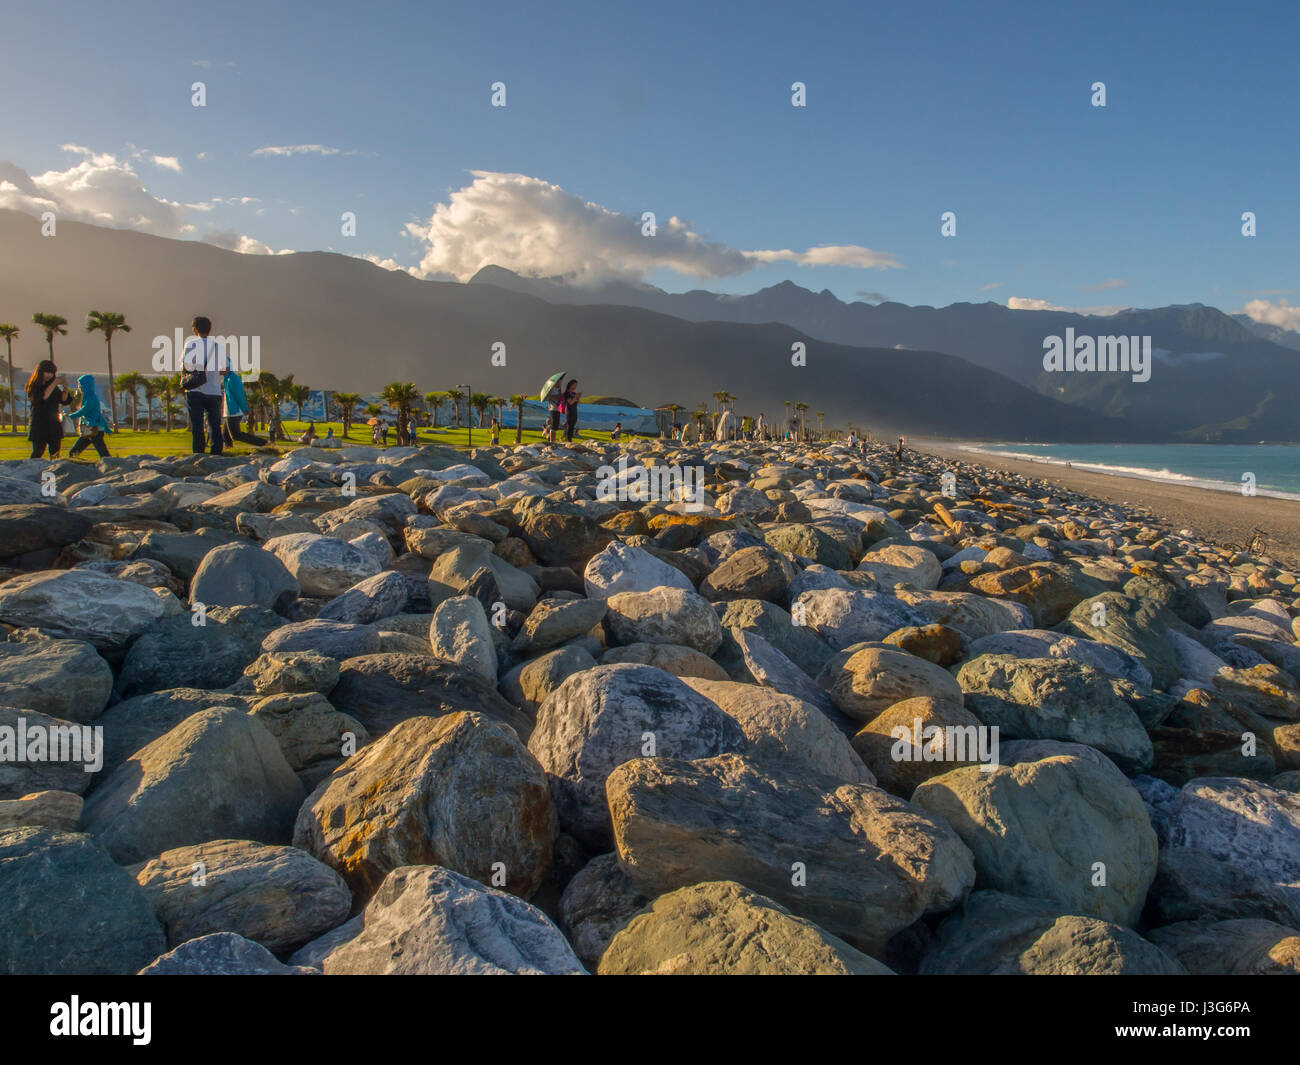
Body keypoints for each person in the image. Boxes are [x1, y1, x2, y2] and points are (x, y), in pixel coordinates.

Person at [182, 317, 229, 454]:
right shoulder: (218, 347)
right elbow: (226, 370)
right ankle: (216, 453)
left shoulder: (191, 345)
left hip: (195, 389)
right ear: (210, 329)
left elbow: (186, 366)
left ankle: (198, 453)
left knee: (197, 425)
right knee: (214, 424)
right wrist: (212, 371)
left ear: (195, 329)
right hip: (214, 391)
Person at [25, 360, 71, 459]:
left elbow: (64, 400)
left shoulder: (53, 386)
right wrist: (55, 383)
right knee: (38, 451)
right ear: (40, 372)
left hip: (53, 423)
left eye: (51, 373)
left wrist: (65, 387)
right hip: (39, 424)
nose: (49, 375)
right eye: (47, 372)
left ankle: (54, 472)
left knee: (55, 453)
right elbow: (43, 397)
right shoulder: (34, 386)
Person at [65, 373, 113, 459]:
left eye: (80, 385)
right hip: (88, 429)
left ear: (86, 385)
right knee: (74, 452)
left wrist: (71, 416)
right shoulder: (87, 397)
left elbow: (84, 411)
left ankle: (112, 465)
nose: (79, 387)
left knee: (103, 453)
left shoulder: (91, 398)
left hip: (95, 430)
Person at [221, 368, 266, 447]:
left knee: (236, 435)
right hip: (228, 412)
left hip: (234, 411)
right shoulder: (227, 378)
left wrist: (245, 408)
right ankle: (229, 450)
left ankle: (265, 443)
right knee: (225, 434)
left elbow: (239, 396)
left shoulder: (232, 379)